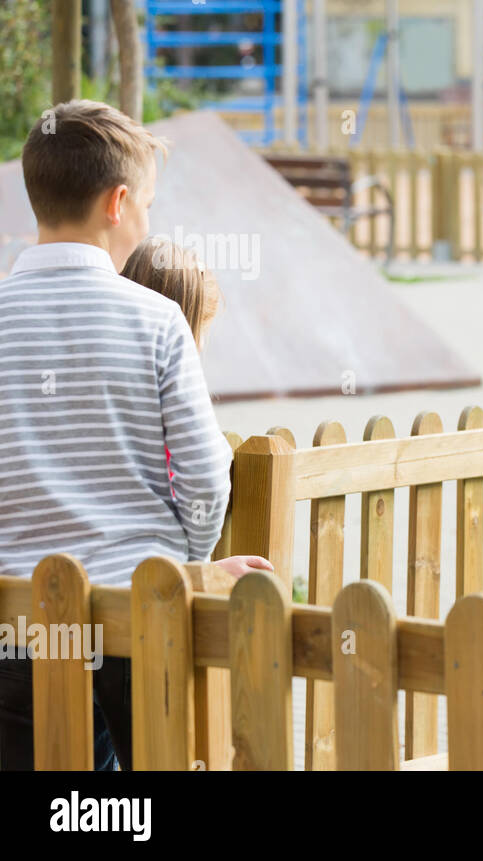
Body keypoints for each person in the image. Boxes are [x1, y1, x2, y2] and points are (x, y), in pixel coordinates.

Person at [0, 101, 233, 771]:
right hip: (139, 613)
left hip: (17, 622)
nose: (146, 221)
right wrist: (182, 559)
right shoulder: (157, 322)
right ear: (119, 201)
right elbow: (203, 479)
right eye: (148, 206)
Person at [120, 235, 272, 579]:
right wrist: (198, 565)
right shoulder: (173, 391)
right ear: (190, 328)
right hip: (153, 584)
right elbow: (206, 476)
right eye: (204, 332)